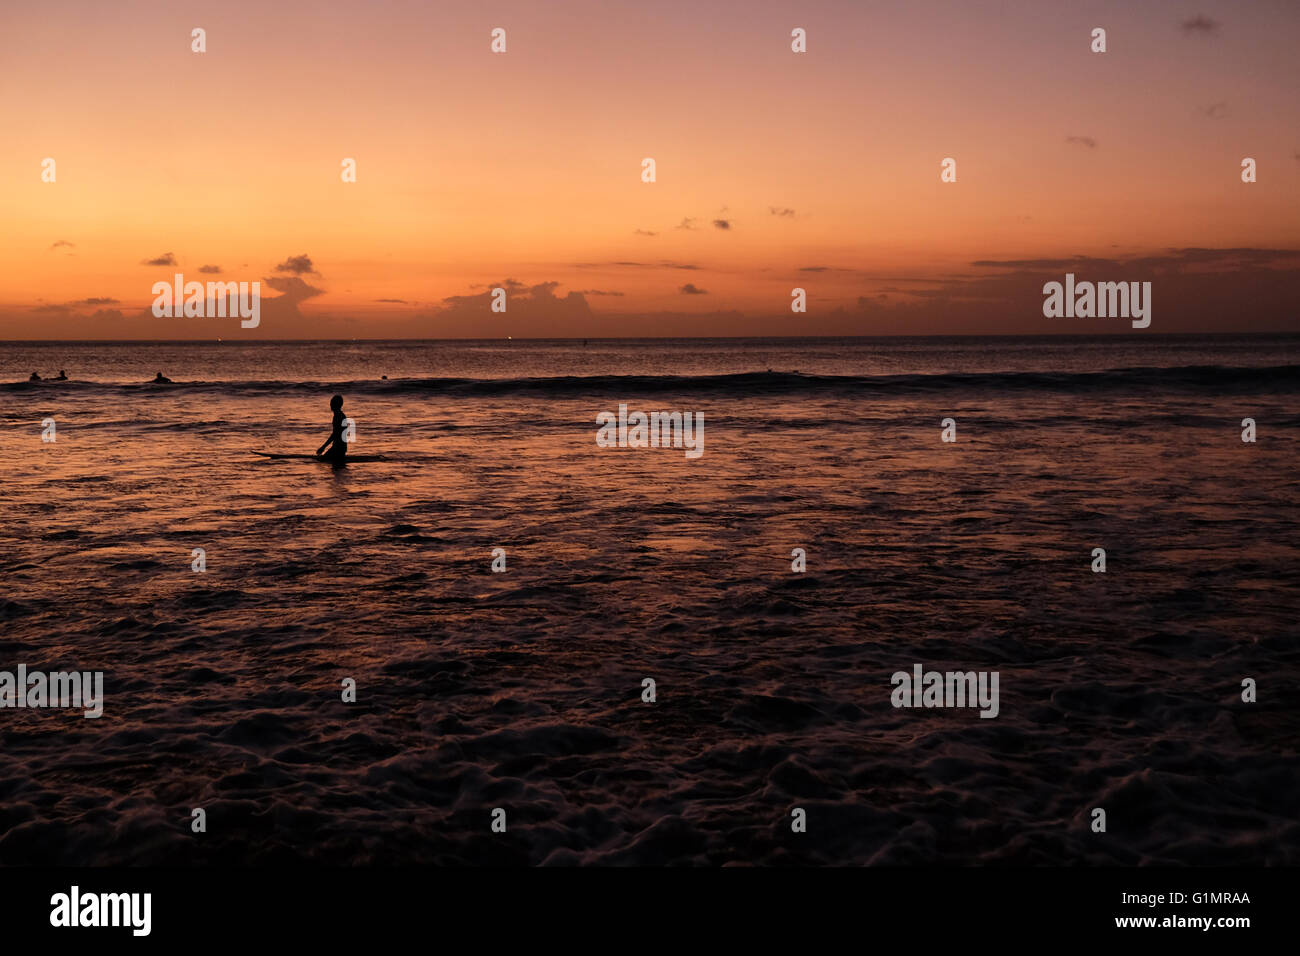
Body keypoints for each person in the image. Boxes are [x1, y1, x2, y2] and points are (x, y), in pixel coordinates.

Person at [316, 394, 348, 464]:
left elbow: (335, 434)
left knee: (322, 461)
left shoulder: (338, 416)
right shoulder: (340, 415)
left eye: (332, 403)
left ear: (335, 405)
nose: (330, 405)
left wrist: (323, 447)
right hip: (340, 447)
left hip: (338, 448)